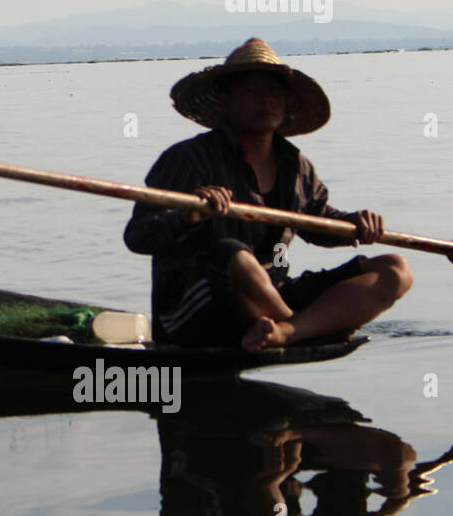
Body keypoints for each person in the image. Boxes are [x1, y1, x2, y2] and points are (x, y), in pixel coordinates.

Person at [123, 38, 413, 350]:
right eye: (251, 91)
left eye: (274, 91)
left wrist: (356, 224)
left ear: (287, 101)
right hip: (197, 310)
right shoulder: (189, 158)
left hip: (272, 295)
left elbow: (318, 222)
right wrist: (189, 215)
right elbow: (138, 236)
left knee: (396, 270)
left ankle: (288, 332)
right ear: (226, 100)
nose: (266, 101)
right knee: (232, 254)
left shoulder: (296, 165)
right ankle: (307, 327)